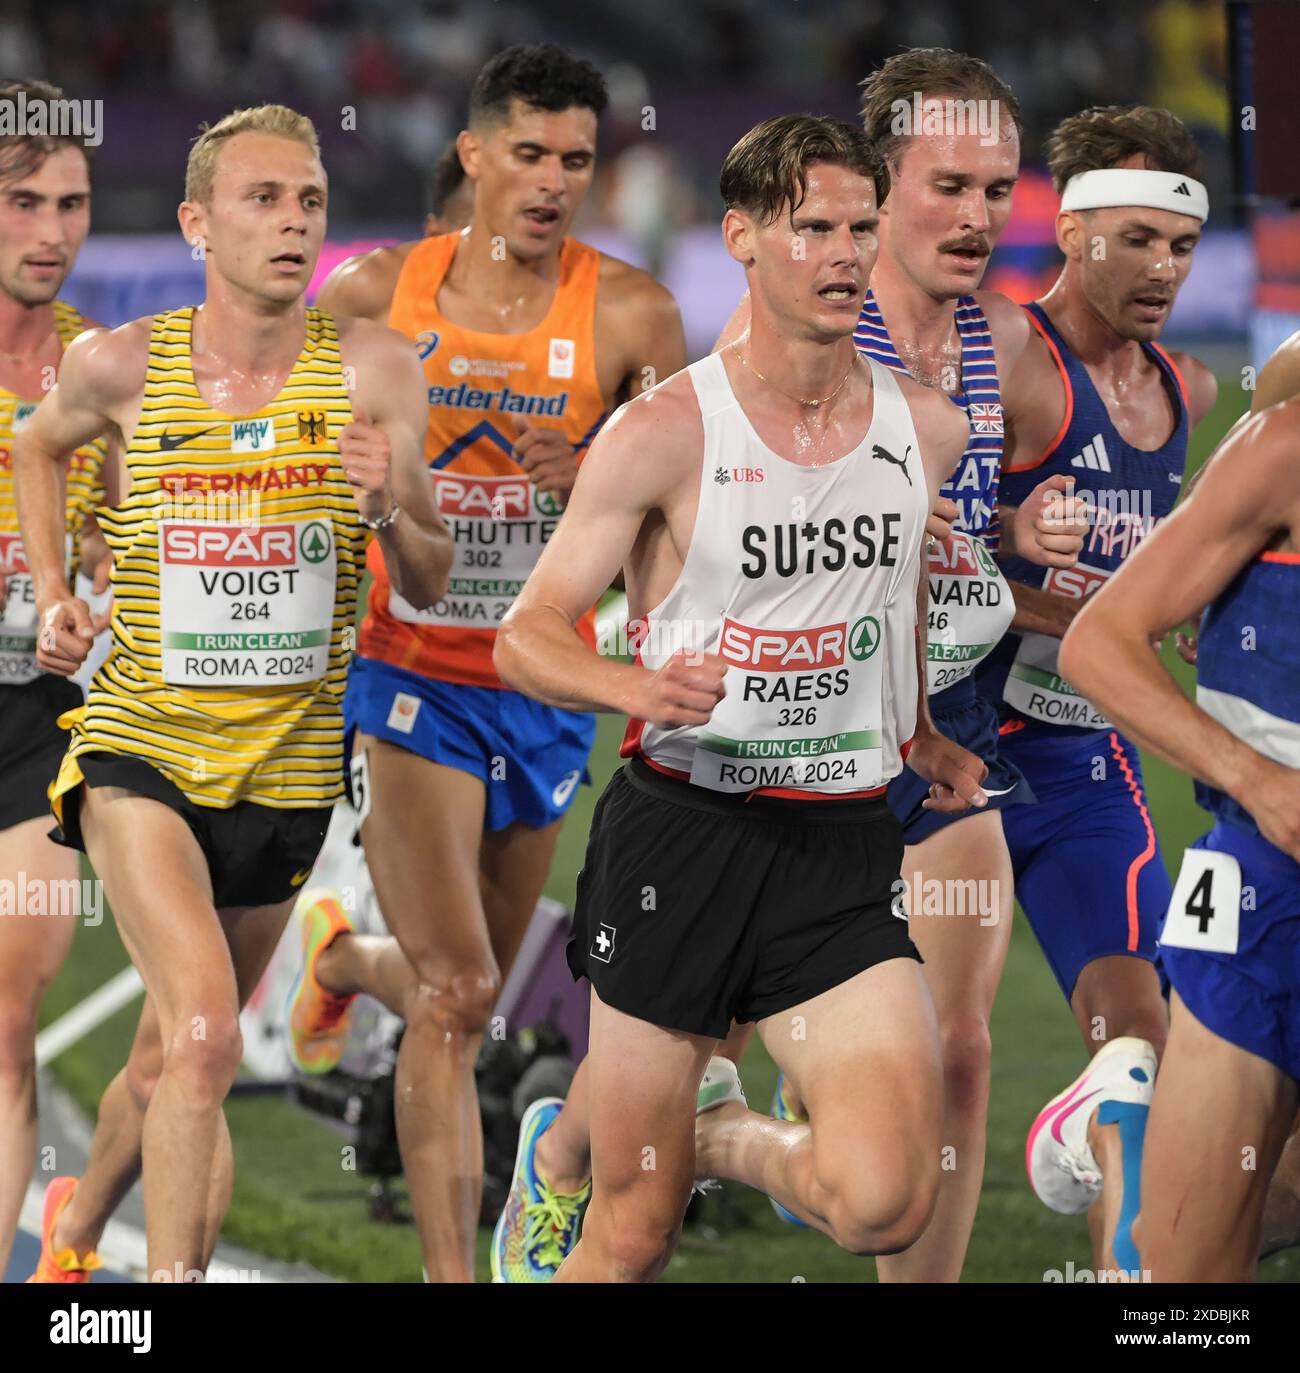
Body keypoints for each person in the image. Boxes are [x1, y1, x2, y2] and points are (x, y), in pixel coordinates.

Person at [496, 112, 987, 1283]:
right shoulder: (666, 431)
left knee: (884, 1201)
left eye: (860, 227)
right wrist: (632, 678)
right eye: (811, 225)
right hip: (685, 834)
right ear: (741, 237)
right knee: (632, 1237)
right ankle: (584, 1158)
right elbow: (525, 634)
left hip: (839, 843)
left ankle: (709, 1133)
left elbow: (899, 590)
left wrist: (914, 727)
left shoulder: (925, 427)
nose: (843, 253)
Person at [16, 103, 450, 1281]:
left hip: (291, 775)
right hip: (140, 751)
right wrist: (56, 588)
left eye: (309, 201)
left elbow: (431, 576)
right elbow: (37, 445)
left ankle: (70, 1234)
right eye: (264, 200)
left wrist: (394, 502)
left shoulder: (376, 370)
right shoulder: (118, 363)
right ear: (198, 222)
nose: (294, 222)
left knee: (169, 1056)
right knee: (208, 1029)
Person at [289, 44, 686, 1282]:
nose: (555, 180)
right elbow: (285, 445)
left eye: (577, 158)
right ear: (472, 155)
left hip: (550, 689)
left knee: (473, 991)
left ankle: (348, 960)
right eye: (529, 153)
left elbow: (680, 516)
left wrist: (615, 480)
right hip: (410, 669)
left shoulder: (632, 314)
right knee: (460, 993)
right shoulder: (369, 296)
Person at [976, 106, 1217, 1274]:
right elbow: (919, 562)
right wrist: (1086, 616)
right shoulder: (1009, 359)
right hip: (952, 756)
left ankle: (1135, 1291)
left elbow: (1163, 576)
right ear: (1069, 234)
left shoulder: (1189, 388)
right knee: (899, 1104)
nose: (1162, 269)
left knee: (1137, 1053)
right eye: (1135, 240)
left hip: (1078, 770)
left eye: (1178, 245)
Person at [1056, 359, 1299, 1281]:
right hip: (1266, 884)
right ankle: (1124, 1138)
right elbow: (1099, 643)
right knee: (1185, 1294)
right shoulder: (1285, 442)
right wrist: (1264, 782)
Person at [0, 77, 108, 1279]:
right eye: (23, 201)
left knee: (6, 1025)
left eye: (71, 203)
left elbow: (135, 542)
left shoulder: (105, 370)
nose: (51, 230)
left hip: (38, 724)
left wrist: (92, 585)